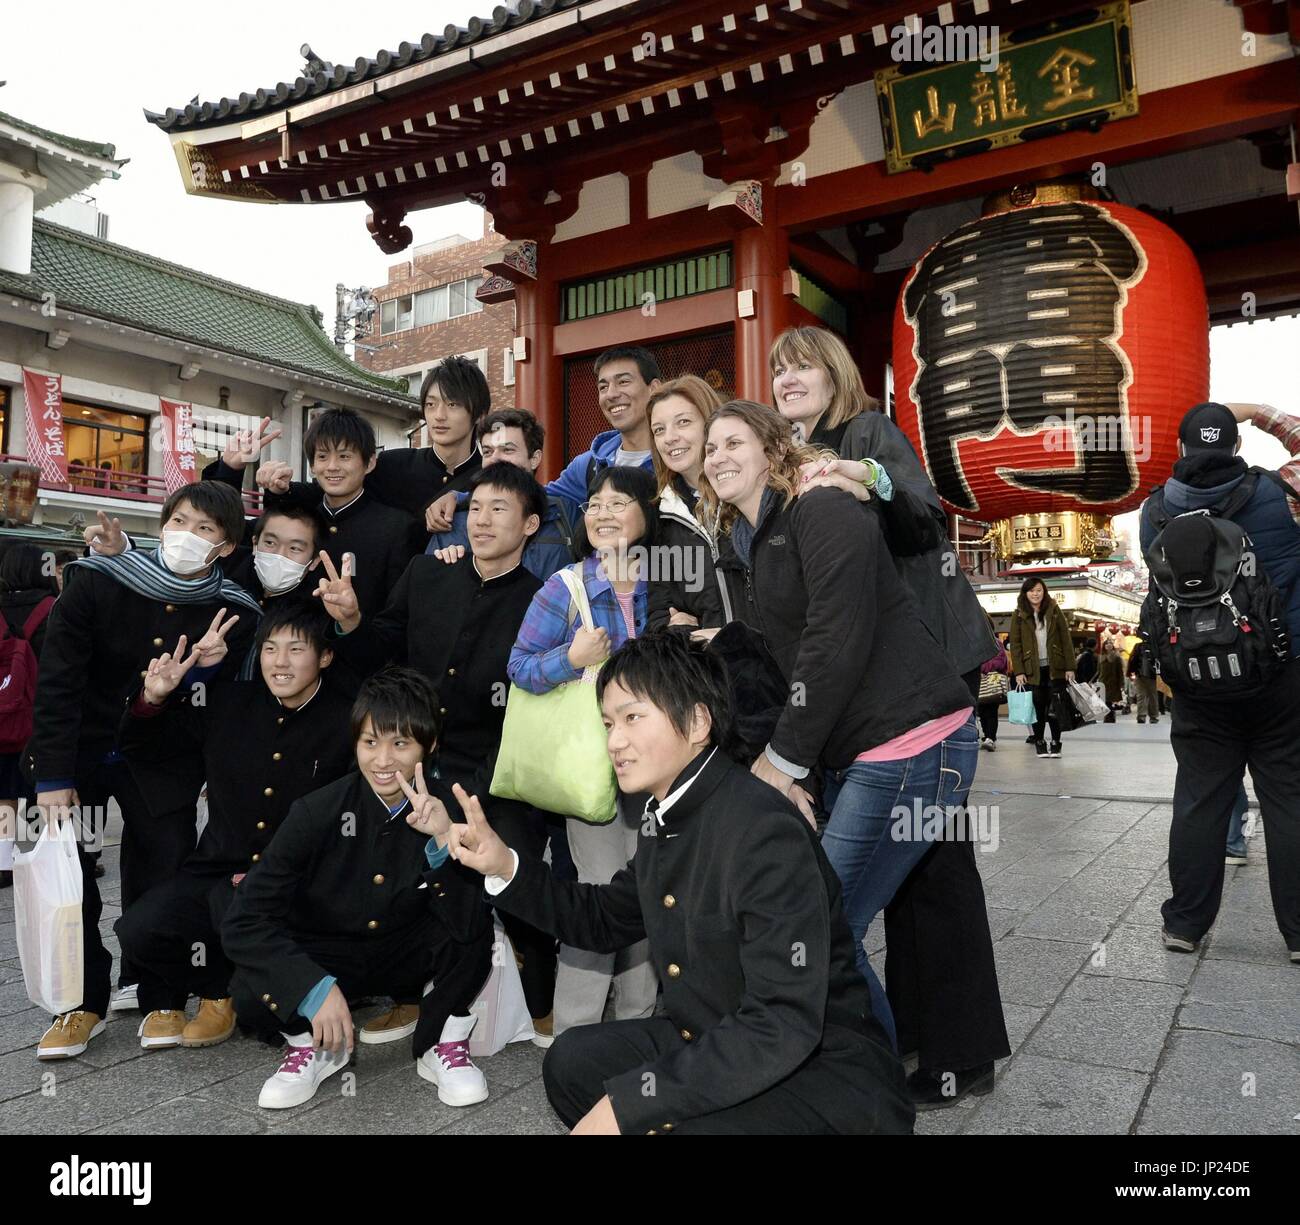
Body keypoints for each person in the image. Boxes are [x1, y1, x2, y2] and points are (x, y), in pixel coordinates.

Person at [446, 631, 915, 1135]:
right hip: (719, 1035)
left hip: (819, 1073)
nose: (614, 741)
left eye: (632, 717)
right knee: (574, 1062)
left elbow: (780, 1021)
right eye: (607, 723)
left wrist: (628, 1106)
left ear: (696, 722)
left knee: (655, 1115)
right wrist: (502, 866)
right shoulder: (668, 814)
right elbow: (603, 919)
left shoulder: (762, 831)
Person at [702, 401, 996, 1105]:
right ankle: (864, 1070)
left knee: (822, 921)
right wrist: (783, 758)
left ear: (774, 450)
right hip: (866, 749)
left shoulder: (820, 507)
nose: (715, 456)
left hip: (914, 740)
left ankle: (865, 1086)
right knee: (828, 919)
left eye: (732, 440)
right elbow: (782, 662)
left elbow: (835, 638)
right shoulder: (751, 539)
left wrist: (786, 759)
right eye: (710, 447)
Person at [319, 463, 560, 1043]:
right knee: (394, 880)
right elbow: (380, 649)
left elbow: (534, 710)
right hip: (414, 767)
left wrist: (475, 789)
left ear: (529, 524)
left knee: (513, 881)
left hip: (498, 772)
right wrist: (350, 619)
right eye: (474, 507)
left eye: (499, 508)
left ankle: (543, 1000)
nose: (481, 519)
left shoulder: (542, 601)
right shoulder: (428, 574)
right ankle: (410, 991)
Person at [29, 481, 261, 1058]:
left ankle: (159, 989)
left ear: (226, 545)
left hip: (163, 761)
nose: (187, 535)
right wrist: (53, 776)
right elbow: (58, 683)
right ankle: (80, 1003)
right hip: (80, 756)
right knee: (72, 877)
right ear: (161, 523)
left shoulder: (233, 611)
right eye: (179, 520)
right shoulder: (97, 582)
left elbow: (227, 702)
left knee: (163, 865)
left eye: (204, 529)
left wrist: (201, 675)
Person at [221, 668, 496, 1108]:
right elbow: (243, 917)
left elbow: (469, 923)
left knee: (476, 929)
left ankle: (441, 1041)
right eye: (370, 742)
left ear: (430, 746)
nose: (383, 760)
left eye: (400, 743)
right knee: (250, 992)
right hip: (329, 953)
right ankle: (311, 1045)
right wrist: (311, 986)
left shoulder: (454, 808)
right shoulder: (317, 811)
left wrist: (444, 841)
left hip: (407, 954)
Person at [115, 602, 355, 1050]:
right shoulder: (228, 701)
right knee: (139, 930)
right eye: (269, 648)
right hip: (218, 867)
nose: (280, 662)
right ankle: (216, 986)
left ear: (324, 656)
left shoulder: (347, 718)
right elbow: (151, 749)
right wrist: (156, 697)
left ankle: (257, 985)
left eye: (296, 649)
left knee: (263, 1010)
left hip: (298, 880)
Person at [1139, 401, 1300, 963]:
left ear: (1182, 450)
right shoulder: (1283, 496)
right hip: (1283, 675)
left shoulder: (1154, 512)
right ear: (1235, 448)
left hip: (1198, 680)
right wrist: (1261, 413)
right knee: (1289, 798)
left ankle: (1185, 924)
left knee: (1199, 800)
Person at [506, 465, 660, 1035]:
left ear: (649, 514)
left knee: (651, 888)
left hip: (661, 770)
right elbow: (518, 667)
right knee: (599, 896)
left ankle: (639, 1024)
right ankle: (574, 1035)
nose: (602, 512)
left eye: (619, 502)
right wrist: (569, 660)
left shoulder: (666, 583)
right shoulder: (565, 587)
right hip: (591, 766)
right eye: (595, 503)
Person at [770, 325, 997, 679]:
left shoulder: (868, 429)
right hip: (869, 652)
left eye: (802, 367)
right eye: (779, 371)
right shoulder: (793, 459)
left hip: (928, 648)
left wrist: (873, 480)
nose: (786, 380)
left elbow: (924, 525)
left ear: (835, 376)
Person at [430, 347, 663, 532]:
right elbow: (534, 495)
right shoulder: (591, 465)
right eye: (603, 386)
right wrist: (459, 497)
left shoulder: (678, 455)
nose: (611, 394)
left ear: (654, 388)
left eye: (623, 382)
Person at [250, 408, 426, 617]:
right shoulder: (301, 519)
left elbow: (398, 614)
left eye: (344, 456)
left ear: (369, 463)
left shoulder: (398, 528)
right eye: (323, 456)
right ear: (312, 465)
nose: (332, 467)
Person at [426, 408, 577, 580]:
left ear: (534, 458)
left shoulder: (565, 514)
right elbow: (428, 589)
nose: (494, 460)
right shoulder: (455, 522)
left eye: (507, 450)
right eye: (488, 451)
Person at [645, 374, 744, 634]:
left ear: (711, 423)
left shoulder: (749, 493)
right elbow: (660, 612)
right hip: (709, 666)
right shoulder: (661, 516)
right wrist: (678, 629)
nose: (670, 438)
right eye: (659, 430)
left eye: (683, 422)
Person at [0, 545, 58, 891]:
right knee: (43, 792)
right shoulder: (54, 610)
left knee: (3, 796)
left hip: (4, 716)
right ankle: (34, 857)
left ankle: (3, 864)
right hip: (42, 720)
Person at [1008, 577, 1075, 757]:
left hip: (1055, 667)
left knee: (1055, 707)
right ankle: (1039, 741)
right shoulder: (1019, 614)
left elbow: (1066, 639)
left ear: (1044, 591)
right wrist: (1019, 671)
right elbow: (1015, 645)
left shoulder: (1053, 610)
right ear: (1025, 593)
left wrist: (1070, 666)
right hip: (1032, 670)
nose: (1035, 594)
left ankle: (1056, 742)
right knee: (1038, 708)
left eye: (1038, 590)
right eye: (1031, 591)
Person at [977, 616, 1009, 751]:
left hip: (992, 682)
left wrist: (984, 667)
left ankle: (991, 737)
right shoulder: (972, 642)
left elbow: (1001, 661)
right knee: (982, 710)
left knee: (990, 710)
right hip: (979, 683)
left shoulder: (996, 642)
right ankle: (987, 735)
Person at [1127, 635, 1160, 725]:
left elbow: (1132, 659)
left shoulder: (1142, 647)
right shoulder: (1142, 646)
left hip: (1149, 675)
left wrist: (1130, 672)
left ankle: (1145, 716)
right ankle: (1148, 716)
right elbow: (1132, 659)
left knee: (1145, 696)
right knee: (1147, 696)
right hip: (1143, 674)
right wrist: (1130, 672)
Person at [1098, 640, 1125, 723]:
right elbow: (1098, 671)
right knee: (1105, 700)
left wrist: (1121, 683)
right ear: (1104, 646)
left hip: (1113, 682)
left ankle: (1109, 717)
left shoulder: (1116, 657)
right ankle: (1109, 716)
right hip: (1103, 681)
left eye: (1110, 643)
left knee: (1109, 700)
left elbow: (1119, 671)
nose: (1108, 645)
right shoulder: (1101, 657)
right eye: (1106, 644)